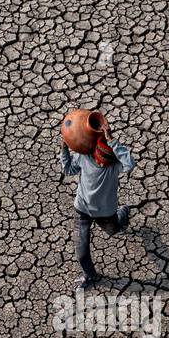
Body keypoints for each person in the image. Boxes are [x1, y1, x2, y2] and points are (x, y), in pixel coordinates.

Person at [59, 121, 136, 289]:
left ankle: (123, 213)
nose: (102, 164)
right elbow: (69, 170)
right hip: (82, 209)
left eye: (106, 161)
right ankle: (90, 276)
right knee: (81, 252)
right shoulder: (84, 157)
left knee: (114, 230)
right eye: (100, 159)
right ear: (94, 153)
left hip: (106, 213)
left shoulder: (114, 165)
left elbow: (130, 164)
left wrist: (112, 141)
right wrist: (64, 149)